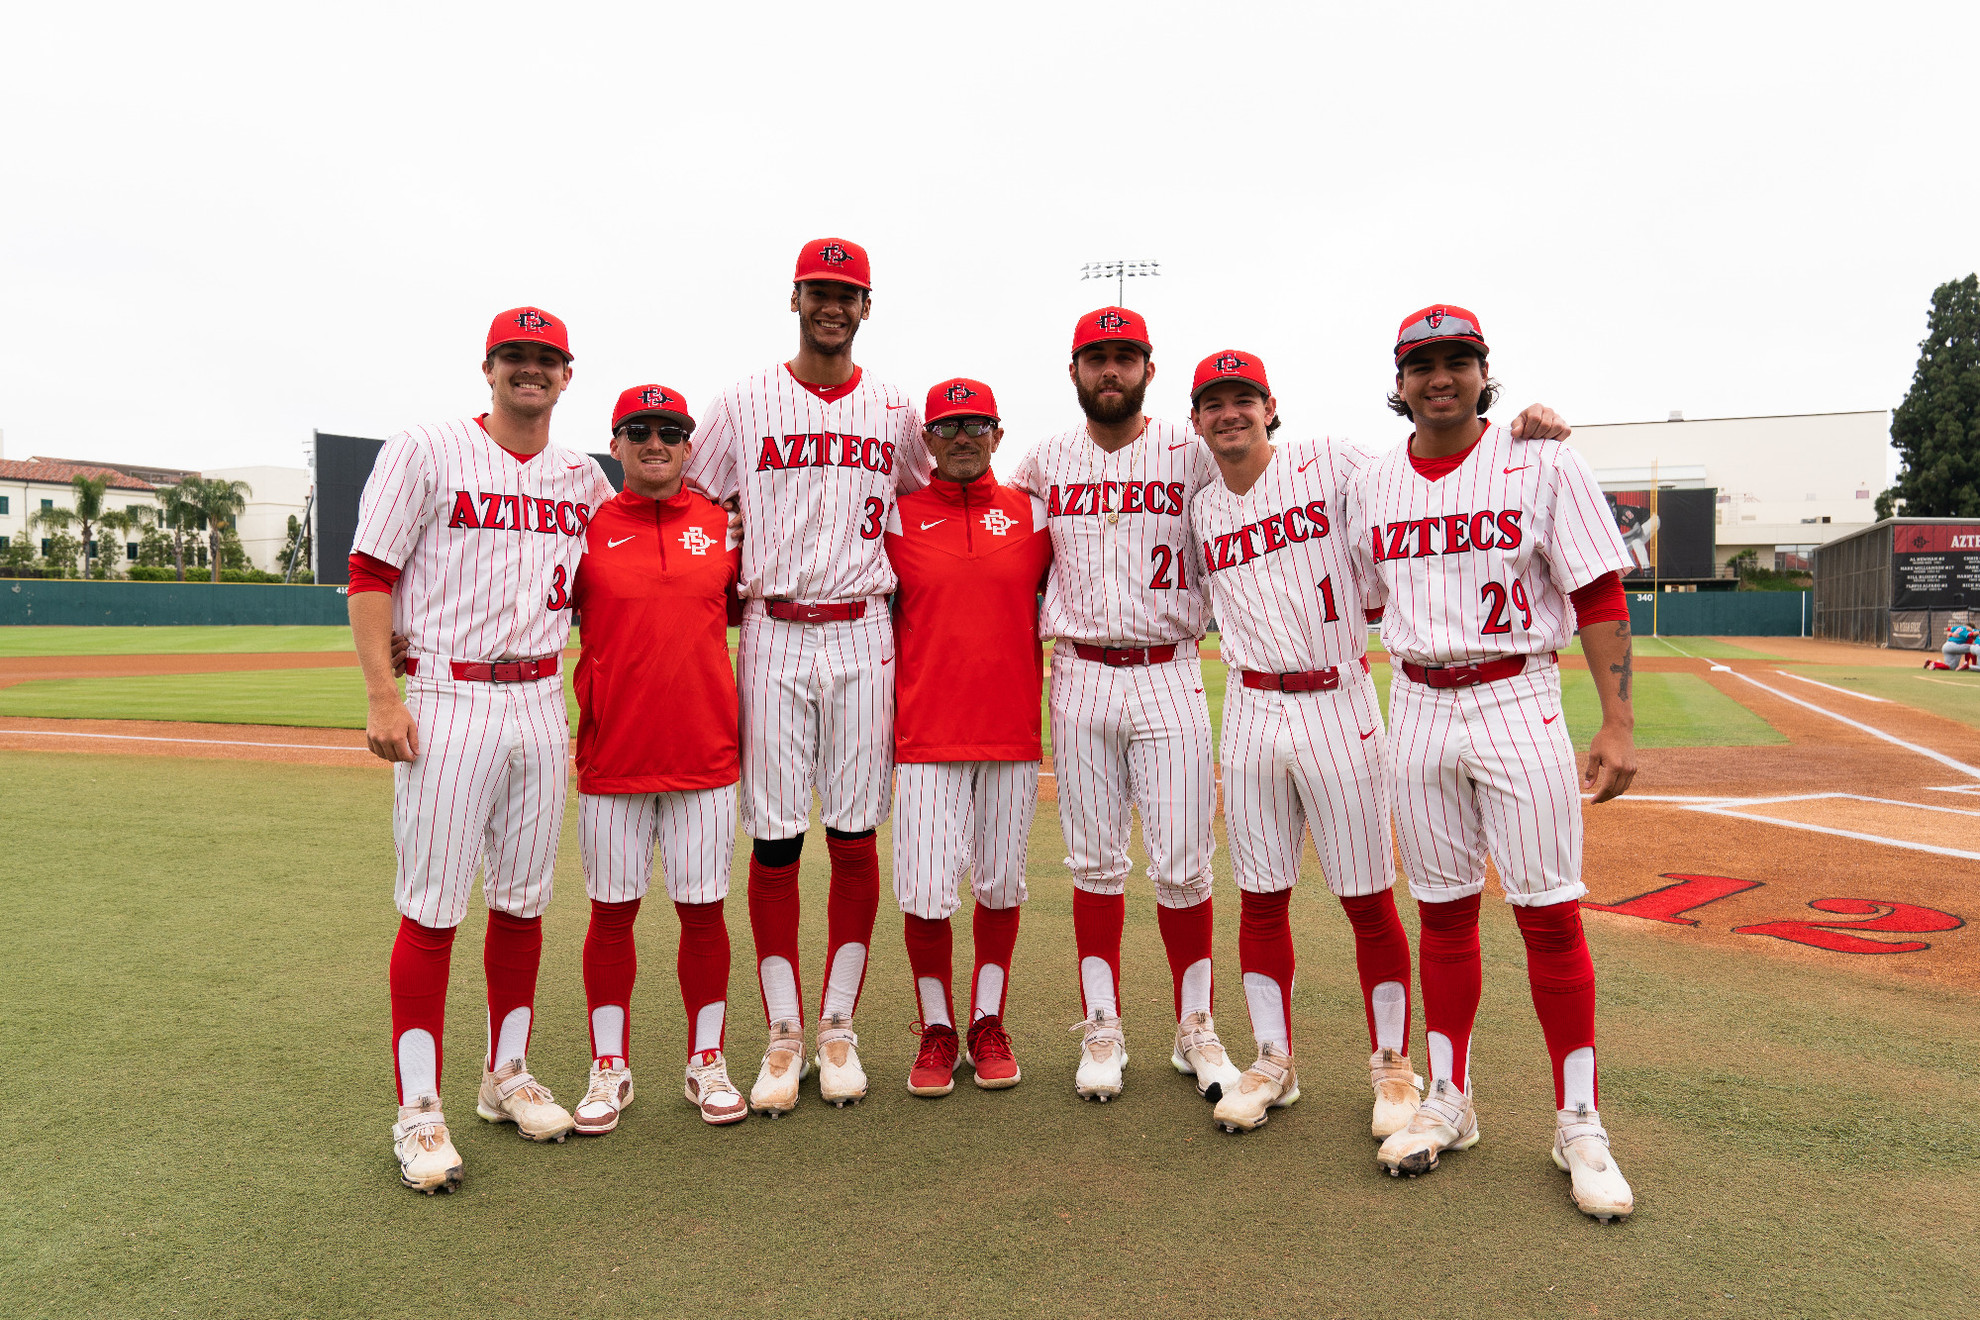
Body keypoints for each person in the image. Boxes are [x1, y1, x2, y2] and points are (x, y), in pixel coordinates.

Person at [1351, 304, 1640, 1222]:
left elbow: (1596, 588)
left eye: (1458, 360)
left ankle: (1579, 1121)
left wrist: (1618, 719)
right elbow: (1359, 595)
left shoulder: (1542, 459)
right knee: (1442, 913)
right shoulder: (1372, 483)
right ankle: (1451, 1098)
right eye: (1421, 364)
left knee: (1550, 916)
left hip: (1518, 694)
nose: (1439, 377)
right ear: (1398, 384)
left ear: (1485, 372)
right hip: (1421, 703)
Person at [352, 307, 613, 1193]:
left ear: (567, 375)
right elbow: (370, 574)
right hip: (448, 697)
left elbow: (627, 561)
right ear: (489, 367)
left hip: (541, 697)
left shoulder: (584, 477)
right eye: (515, 358)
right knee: (433, 910)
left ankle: (505, 1074)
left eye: (546, 359)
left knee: (523, 901)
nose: (530, 371)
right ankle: (418, 1112)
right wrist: (384, 695)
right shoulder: (426, 448)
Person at [680, 237, 932, 1114]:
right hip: (776, 632)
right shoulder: (744, 402)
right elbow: (693, 502)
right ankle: (783, 1032)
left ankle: (838, 1027)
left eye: (849, 293)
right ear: (794, 297)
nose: (834, 305)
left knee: (856, 836)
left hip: (866, 630)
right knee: (778, 839)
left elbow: (931, 502)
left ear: (868, 306)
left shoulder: (898, 410)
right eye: (821, 290)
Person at [1184, 349, 1420, 1136]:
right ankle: (1272, 1059)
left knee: (1365, 896)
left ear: (1269, 405)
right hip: (1250, 706)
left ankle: (1392, 1065)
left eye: (1242, 398)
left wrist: (1519, 436)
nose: (1229, 413)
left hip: (1334, 697)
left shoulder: (1334, 460)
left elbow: (1425, 465)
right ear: (1196, 420)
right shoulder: (1203, 507)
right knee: (1260, 894)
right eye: (1214, 403)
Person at [1009, 307, 1241, 1105]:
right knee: (1094, 862)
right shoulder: (1040, 463)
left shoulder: (1194, 453)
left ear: (1150, 367)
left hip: (1169, 669)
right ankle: (1102, 1023)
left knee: (1183, 862)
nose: (1111, 371)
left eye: (1125, 357)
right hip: (1077, 676)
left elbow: (1269, 483)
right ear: (1073, 371)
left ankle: (1196, 1027)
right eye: (1095, 358)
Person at [565, 384, 748, 1131]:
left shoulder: (727, 526)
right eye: (638, 431)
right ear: (615, 444)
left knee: (703, 914)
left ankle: (707, 1060)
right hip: (615, 757)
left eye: (670, 431)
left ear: (688, 444)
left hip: (704, 755)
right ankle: (609, 1066)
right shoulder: (583, 527)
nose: (655, 444)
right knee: (612, 916)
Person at [883, 378, 1053, 1097]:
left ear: (997, 433)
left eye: (975, 424)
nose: (962, 438)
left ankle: (986, 1021)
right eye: (948, 427)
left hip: (1011, 733)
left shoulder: (1037, 517)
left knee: (1000, 886)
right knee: (925, 895)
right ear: (926, 441)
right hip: (925, 736)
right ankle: (936, 1028)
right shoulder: (893, 518)